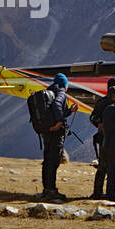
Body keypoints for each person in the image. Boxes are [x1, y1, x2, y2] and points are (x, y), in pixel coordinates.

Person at [40, 73, 77, 201]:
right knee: (54, 161)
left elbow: (54, 110)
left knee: (47, 160)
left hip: (47, 131)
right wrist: (60, 122)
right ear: (64, 84)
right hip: (56, 133)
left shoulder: (49, 92)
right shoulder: (61, 92)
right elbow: (57, 105)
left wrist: (69, 111)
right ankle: (52, 190)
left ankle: (46, 189)